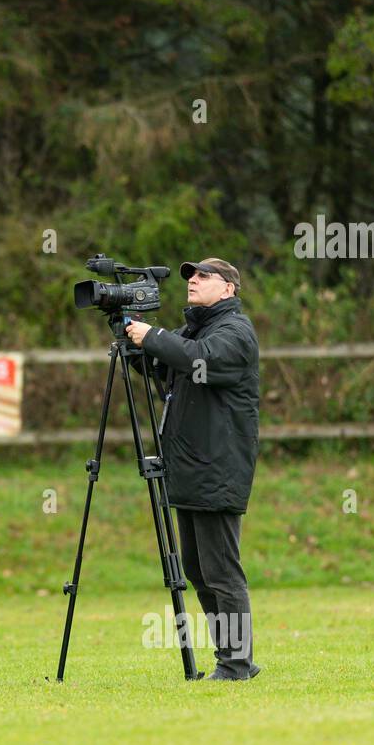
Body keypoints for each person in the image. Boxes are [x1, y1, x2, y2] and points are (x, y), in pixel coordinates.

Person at [124, 258, 263, 681]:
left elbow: (201, 360)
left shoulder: (234, 333)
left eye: (204, 276)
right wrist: (134, 343)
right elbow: (169, 368)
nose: (193, 281)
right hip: (190, 467)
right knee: (199, 571)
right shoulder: (195, 331)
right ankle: (230, 658)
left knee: (221, 569)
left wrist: (154, 335)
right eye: (190, 276)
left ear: (228, 289)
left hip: (219, 467)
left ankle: (237, 664)